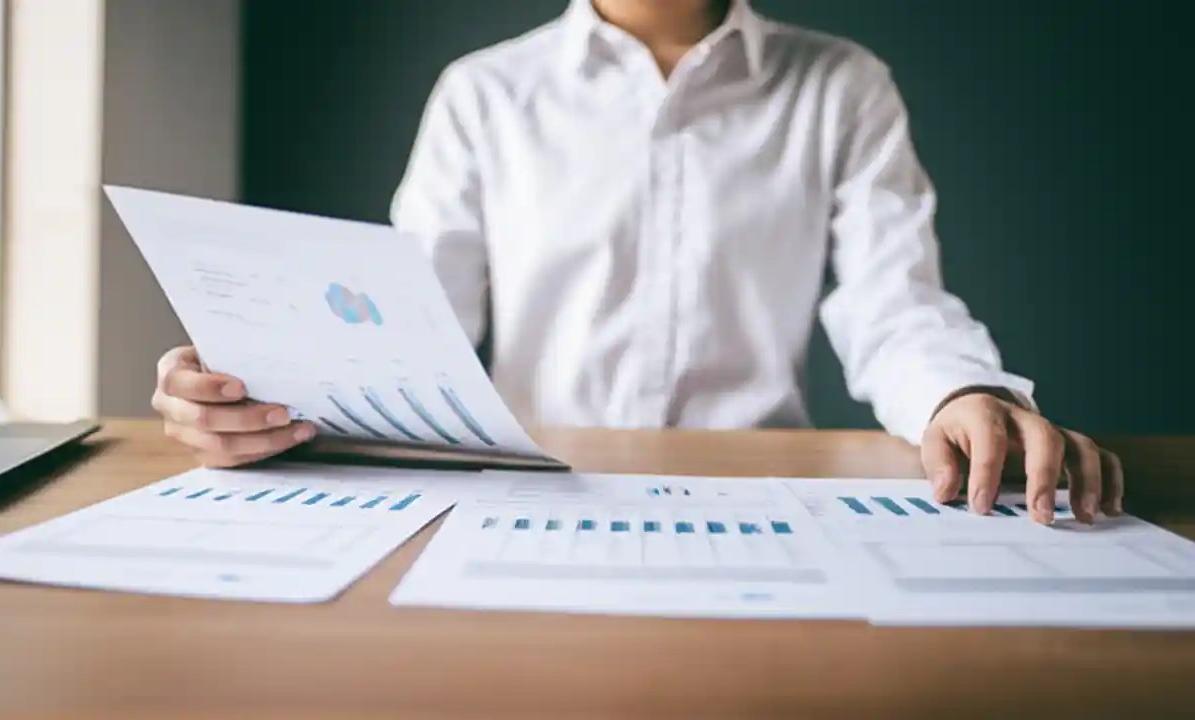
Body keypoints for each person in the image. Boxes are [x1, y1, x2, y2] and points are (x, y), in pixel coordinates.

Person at [150, 0, 1123, 525]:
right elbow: (410, 320)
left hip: (762, 500)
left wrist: (957, 390)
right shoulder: (484, 94)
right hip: (524, 499)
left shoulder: (841, 83)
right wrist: (264, 385)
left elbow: (890, 297)